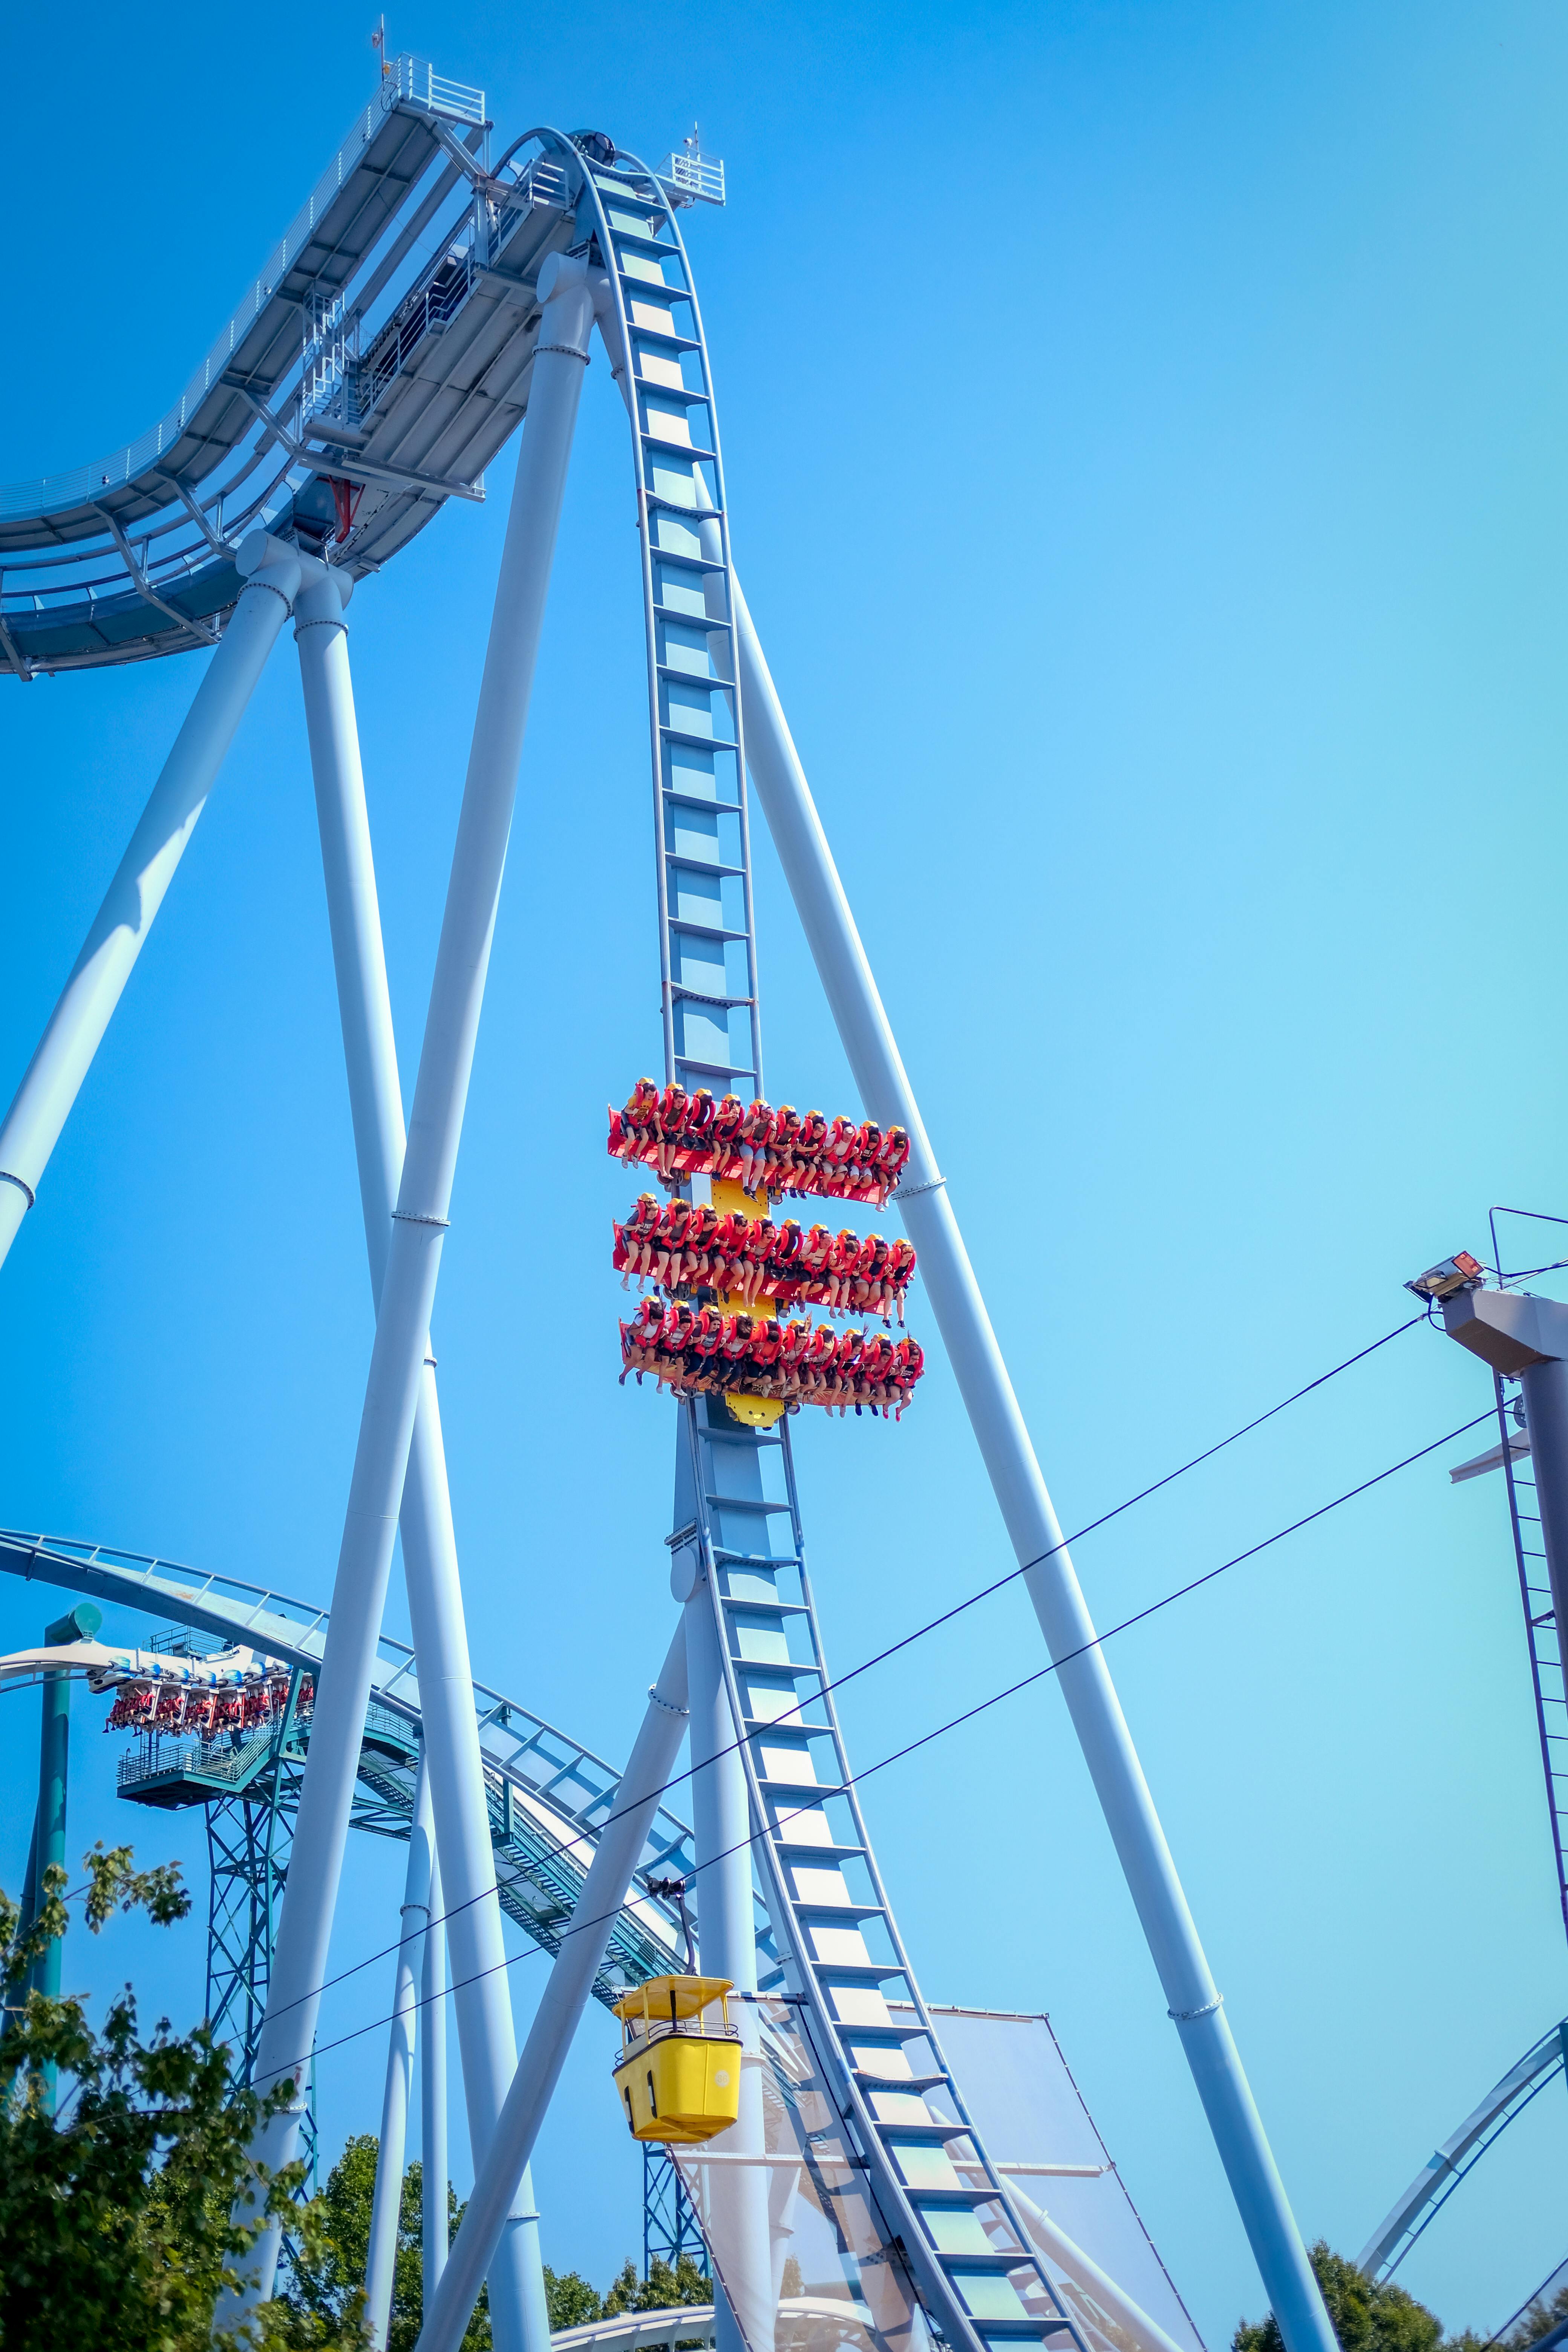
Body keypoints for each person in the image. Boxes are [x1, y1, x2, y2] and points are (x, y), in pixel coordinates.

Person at [616, 1193, 663, 1285]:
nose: (653, 1217)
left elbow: (656, 1230)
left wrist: (659, 1232)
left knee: (647, 1259)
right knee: (634, 1255)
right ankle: (625, 1280)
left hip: (645, 1239)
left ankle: (641, 1283)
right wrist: (635, 1227)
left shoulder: (655, 1215)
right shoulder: (638, 1215)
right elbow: (626, 1227)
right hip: (633, 1237)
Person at [611, 1077, 660, 1160]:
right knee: (632, 1138)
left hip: (641, 1122)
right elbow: (626, 1110)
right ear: (645, 1093)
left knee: (646, 1138)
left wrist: (654, 1116)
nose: (651, 1098)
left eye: (653, 1096)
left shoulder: (652, 1102)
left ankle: (636, 1156)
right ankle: (625, 1155)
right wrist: (633, 1112)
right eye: (650, 1095)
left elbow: (649, 1114)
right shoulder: (635, 1099)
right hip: (631, 1121)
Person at [650, 1197, 695, 1287]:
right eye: (683, 1216)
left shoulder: (687, 1222)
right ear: (678, 1214)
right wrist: (667, 1231)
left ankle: (674, 1287)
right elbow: (661, 1234)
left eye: (686, 1217)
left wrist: (691, 1236)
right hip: (664, 1244)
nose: (685, 1219)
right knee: (664, 1262)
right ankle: (657, 1284)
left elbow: (687, 1236)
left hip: (678, 1246)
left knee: (676, 1264)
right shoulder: (669, 1220)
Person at [737, 1098, 774, 1191]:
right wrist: (753, 1125)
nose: (768, 1116)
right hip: (747, 1143)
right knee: (749, 1159)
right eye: (766, 1113)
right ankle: (745, 1186)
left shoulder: (770, 1123)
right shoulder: (752, 1118)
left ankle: (753, 1189)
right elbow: (744, 1135)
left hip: (759, 1145)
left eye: (770, 1114)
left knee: (762, 1164)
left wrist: (774, 1130)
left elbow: (770, 1140)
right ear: (761, 1112)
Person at [654, 1081, 689, 1176]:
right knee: (661, 1143)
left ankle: (668, 1171)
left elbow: (683, 1120)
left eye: (682, 1103)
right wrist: (660, 1133)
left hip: (672, 1130)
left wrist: (682, 1133)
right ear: (674, 1100)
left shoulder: (683, 1108)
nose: (680, 1104)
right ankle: (663, 1170)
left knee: (672, 1147)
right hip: (660, 1128)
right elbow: (657, 1119)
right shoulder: (665, 1104)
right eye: (678, 1102)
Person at [765, 1104, 801, 1189]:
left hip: (783, 1151)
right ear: (788, 1125)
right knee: (774, 1163)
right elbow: (771, 1144)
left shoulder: (793, 1133)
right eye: (793, 1129)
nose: (794, 1131)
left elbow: (794, 1145)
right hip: (772, 1149)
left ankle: (779, 1177)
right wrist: (785, 1148)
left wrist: (790, 1151)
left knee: (789, 1166)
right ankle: (763, 1176)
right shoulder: (778, 1127)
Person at [709, 1092, 747, 1174]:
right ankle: (714, 1170)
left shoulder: (737, 1122)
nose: (735, 1115)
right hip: (716, 1138)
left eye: (736, 1114)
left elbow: (737, 1134)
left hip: (727, 1140)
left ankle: (719, 1172)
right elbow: (716, 1118)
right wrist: (727, 1115)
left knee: (728, 1153)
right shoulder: (725, 1116)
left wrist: (741, 1133)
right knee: (718, 1150)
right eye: (733, 1113)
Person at [875, 1125, 912, 1191]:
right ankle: (881, 1199)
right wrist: (883, 1161)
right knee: (885, 1182)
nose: (899, 1152)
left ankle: (885, 1197)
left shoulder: (902, 1151)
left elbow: (901, 1164)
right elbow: (879, 1158)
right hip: (881, 1168)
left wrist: (905, 1162)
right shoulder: (888, 1147)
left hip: (891, 1170)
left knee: (895, 1185)